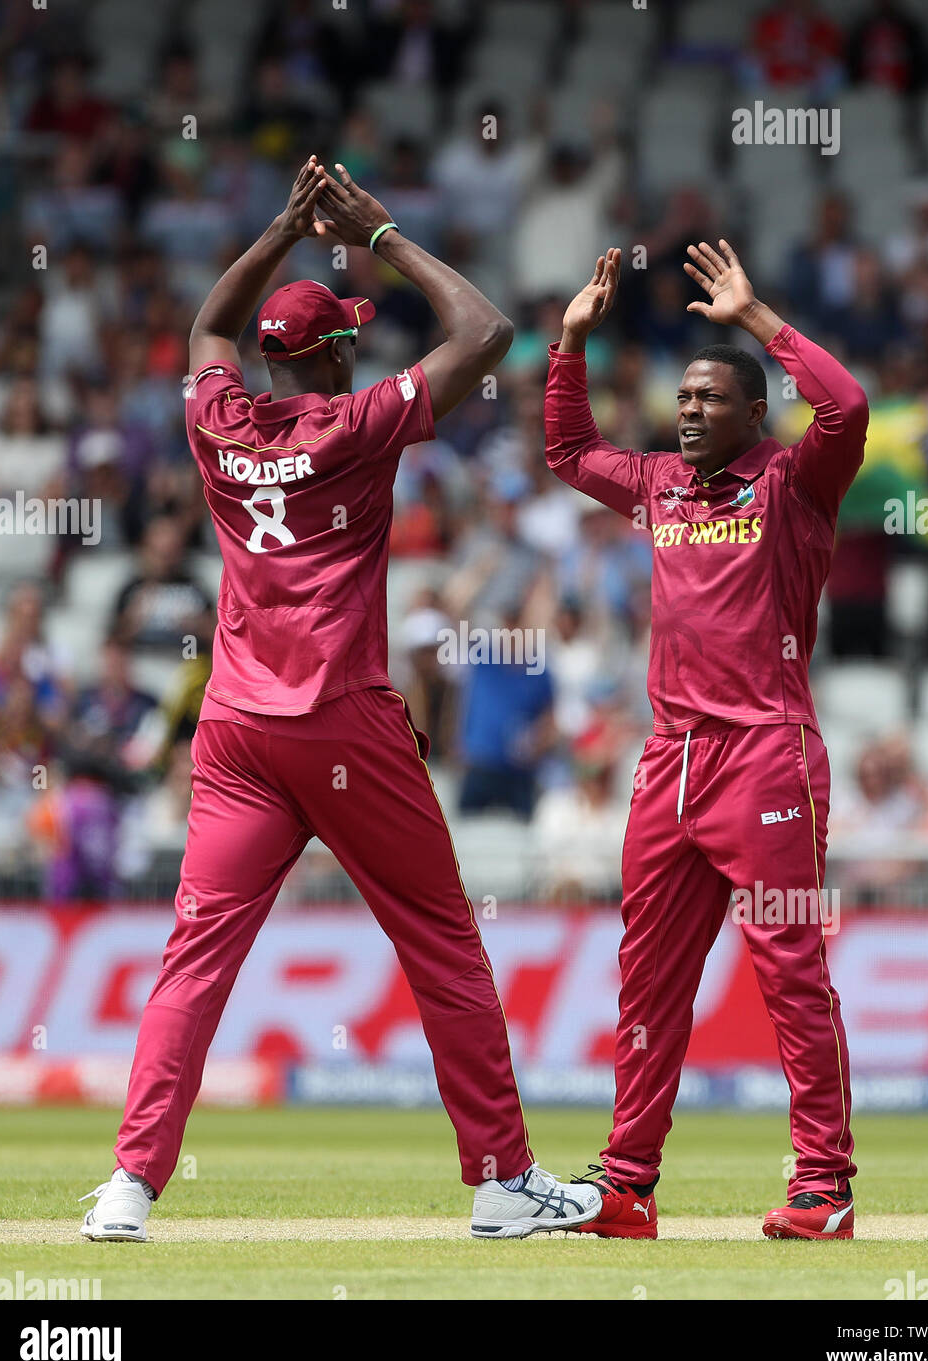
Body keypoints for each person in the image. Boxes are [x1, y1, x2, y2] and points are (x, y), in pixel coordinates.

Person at [78, 157, 599, 1243]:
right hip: (343, 717)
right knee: (443, 941)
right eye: (348, 334)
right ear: (333, 351)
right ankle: (502, 1181)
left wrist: (277, 230)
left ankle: (129, 1183)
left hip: (233, 728)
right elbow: (491, 330)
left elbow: (206, 332)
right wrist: (383, 234)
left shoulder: (220, 423)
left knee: (196, 955)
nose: (360, 344)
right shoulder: (356, 424)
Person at [546, 240, 869, 1240]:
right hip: (669, 764)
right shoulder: (658, 488)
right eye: (682, 397)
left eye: (709, 397)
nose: (687, 410)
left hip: (768, 756)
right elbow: (566, 453)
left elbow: (848, 405)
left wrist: (755, 318)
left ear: (754, 413)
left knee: (789, 968)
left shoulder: (796, 484)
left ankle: (823, 1187)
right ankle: (627, 1184)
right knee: (647, 974)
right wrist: (569, 342)